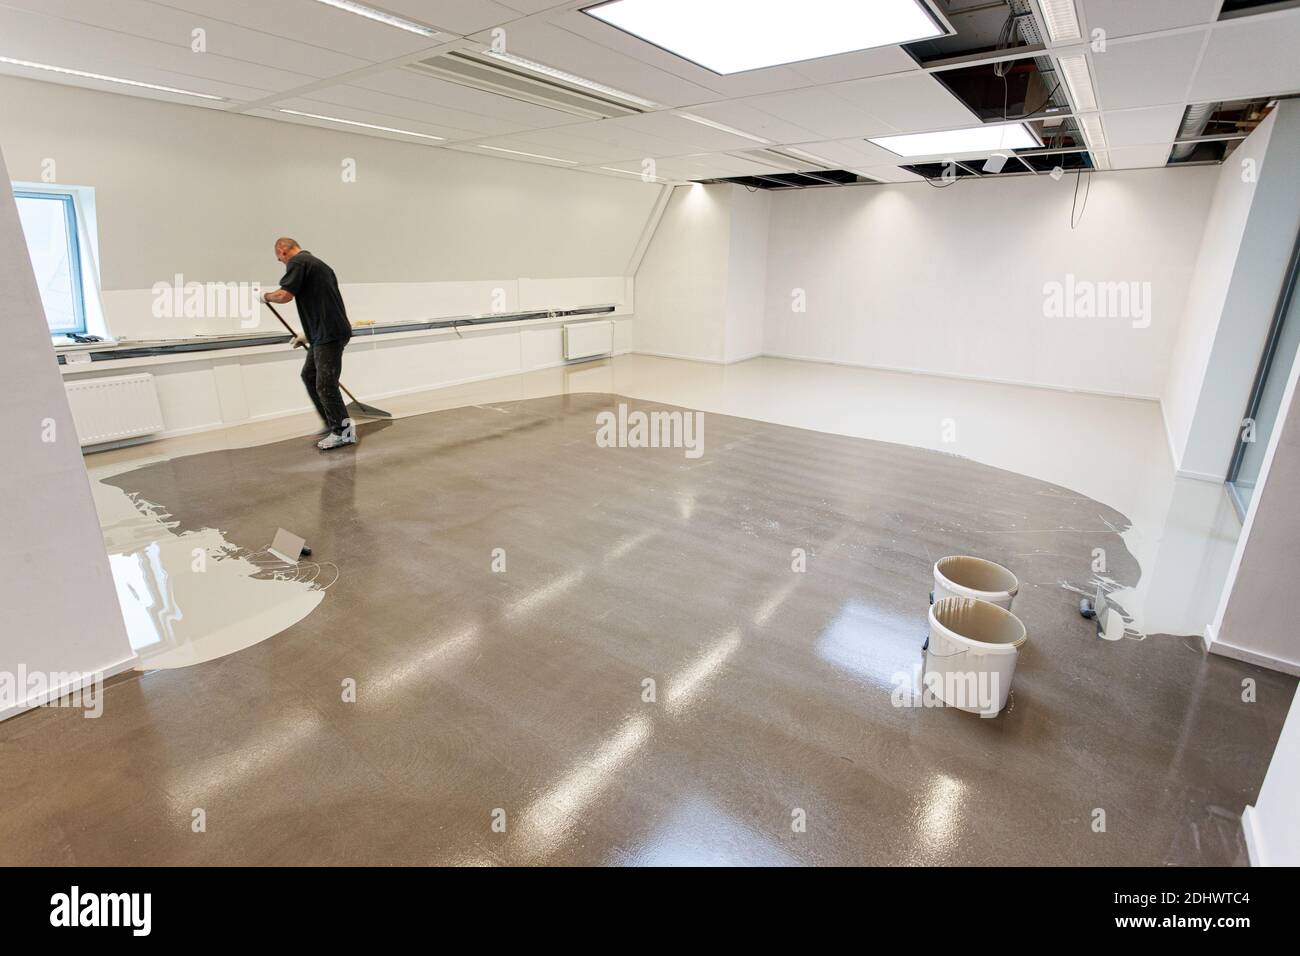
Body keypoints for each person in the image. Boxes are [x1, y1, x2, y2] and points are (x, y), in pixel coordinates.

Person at [263, 238, 356, 450]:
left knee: (325, 384)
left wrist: (264, 296)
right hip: (324, 332)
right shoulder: (318, 265)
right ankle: (332, 423)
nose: (281, 262)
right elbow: (322, 303)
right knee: (310, 375)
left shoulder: (298, 262)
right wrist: (308, 333)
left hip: (328, 334)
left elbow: (284, 295)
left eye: (279, 258)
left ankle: (343, 433)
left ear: (283, 251)